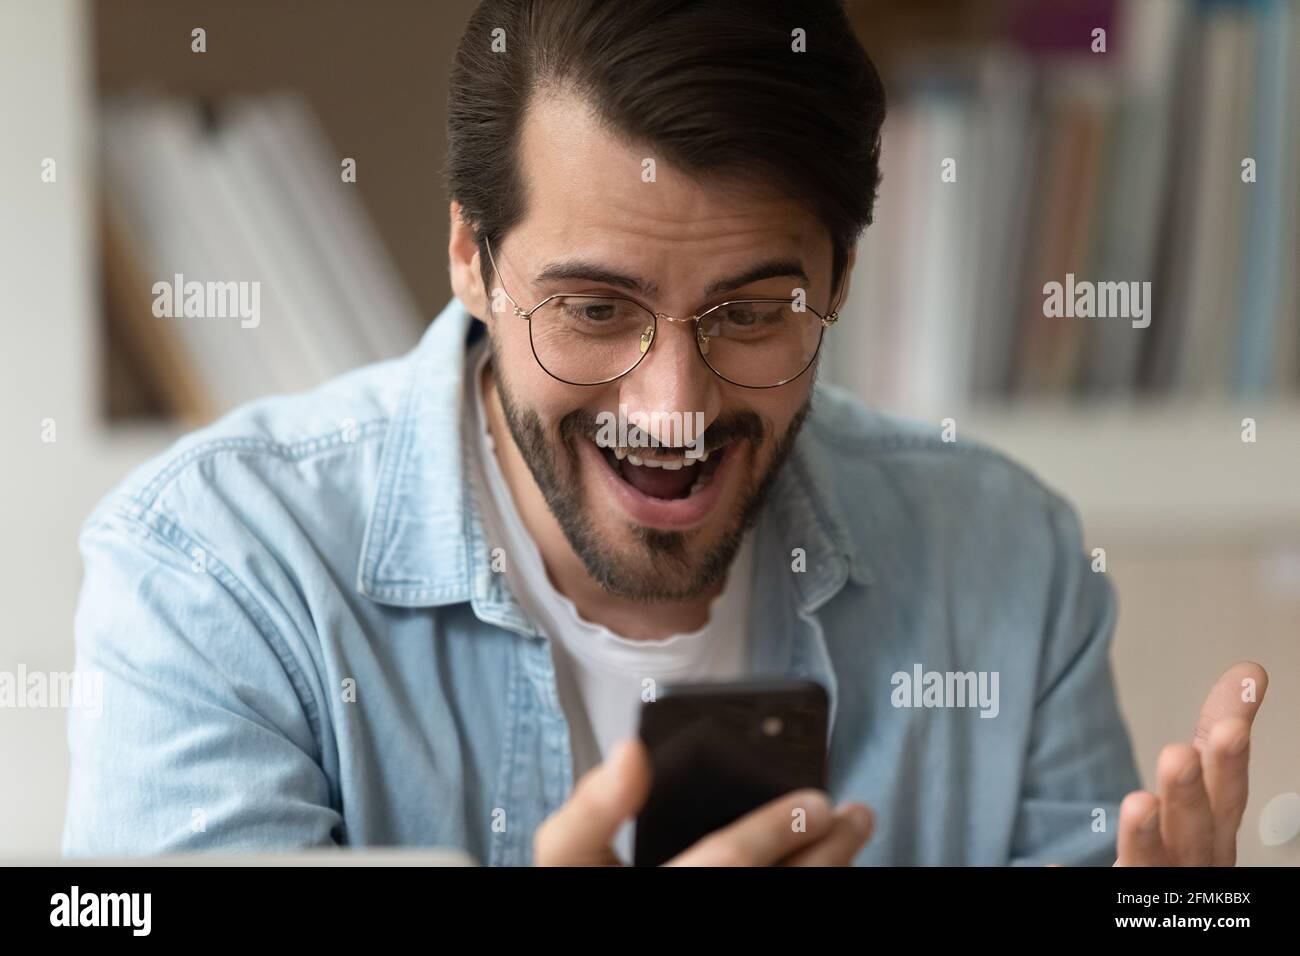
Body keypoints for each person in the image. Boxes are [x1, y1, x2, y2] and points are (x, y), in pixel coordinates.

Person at [63, 0, 1266, 866]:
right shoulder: (218, 566)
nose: (672, 405)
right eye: (594, 311)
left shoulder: (1009, 559)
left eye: (750, 312)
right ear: (470, 258)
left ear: (841, 274)